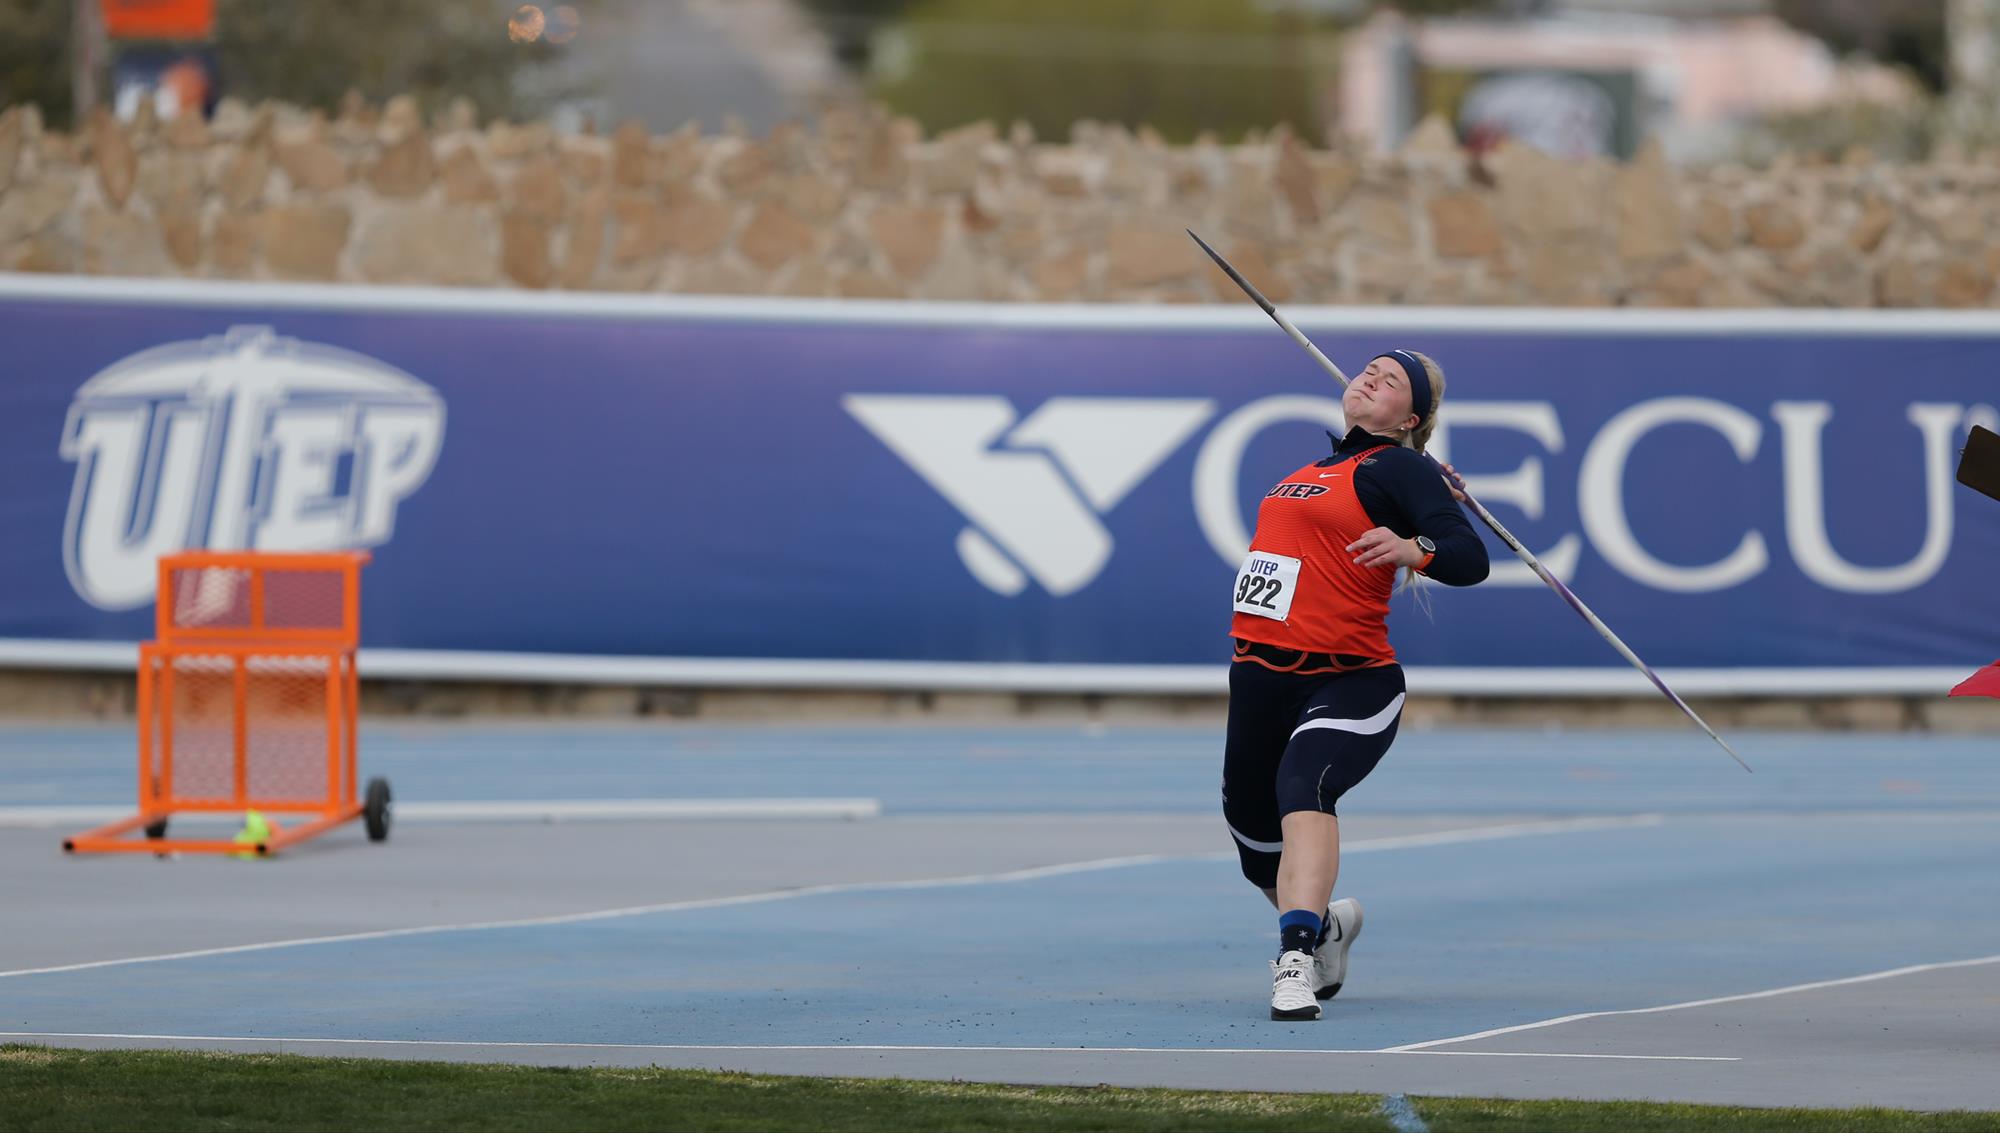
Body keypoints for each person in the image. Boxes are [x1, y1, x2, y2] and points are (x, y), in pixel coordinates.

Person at [1220, 349, 1489, 1021]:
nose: (1370, 378)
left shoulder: (1399, 465)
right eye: (1368, 370)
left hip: (1349, 678)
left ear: (1412, 418)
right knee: (1254, 843)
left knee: (1303, 787)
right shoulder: (1311, 470)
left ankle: (1294, 961)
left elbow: (1469, 557)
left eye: (1390, 380)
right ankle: (1327, 927)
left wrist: (1413, 548)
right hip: (1257, 676)